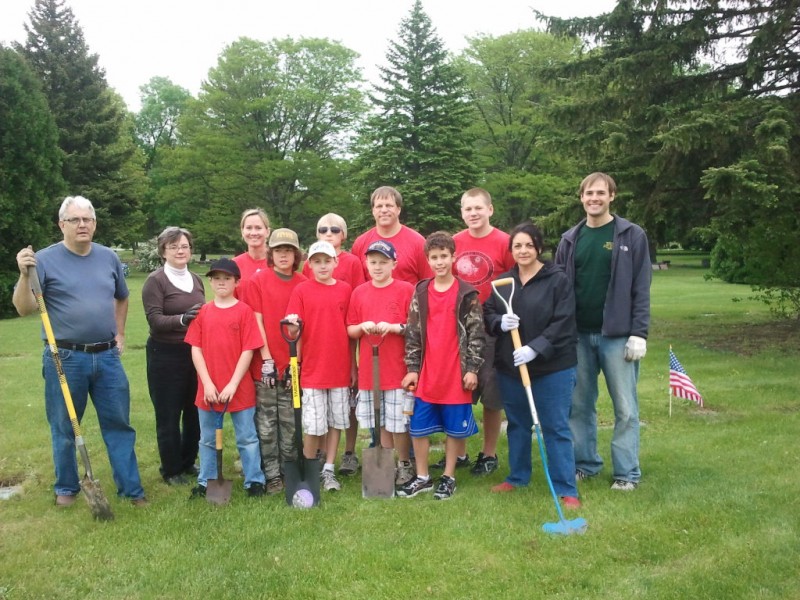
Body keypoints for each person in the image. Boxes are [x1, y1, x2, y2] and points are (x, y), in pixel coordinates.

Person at [12, 195, 146, 506]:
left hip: (108, 357)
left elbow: (122, 297)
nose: (82, 224)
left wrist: (121, 333)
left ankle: (131, 490)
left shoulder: (108, 258)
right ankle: (67, 488)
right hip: (65, 357)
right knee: (64, 426)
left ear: (95, 224)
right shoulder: (42, 261)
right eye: (75, 220)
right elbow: (23, 308)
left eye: (88, 219)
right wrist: (22, 274)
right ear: (62, 225)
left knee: (119, 424)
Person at [554, 172, 651, 491]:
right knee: (579, 405)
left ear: (612, 196)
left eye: (600, 193)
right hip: (577, 337)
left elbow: (641, 287)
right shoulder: (570, 239)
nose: (594, 198)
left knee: (625, 407)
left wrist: (640, 332)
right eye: (588, 193)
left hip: (618, 336)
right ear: (581, 198)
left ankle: (626, 473)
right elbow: (559, 289)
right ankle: (585, 463)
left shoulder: (631, 235)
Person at [484, 222, 580, 508]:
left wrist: (535, 348)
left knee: (555, 426)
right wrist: (499, 322)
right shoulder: (505, 282)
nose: (523, 251)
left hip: (554, 367)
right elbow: (488, 311)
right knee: (517, 424)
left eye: (529, 245)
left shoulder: (557, 279)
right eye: (517, 246)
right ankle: (517, 477)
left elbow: (563, 321)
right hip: (511, 368)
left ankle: (566, 487)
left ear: (538, 247)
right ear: (511, 250)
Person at [399, 232, 485, 500]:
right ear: (428, 260)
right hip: (427, 373)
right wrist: (413, 367)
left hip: (456, 373)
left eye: (444, 256)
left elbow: (476, 334)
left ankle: (448, 476)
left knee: (454, 429)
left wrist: (472, 368)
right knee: (418, 428)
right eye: (434, 258)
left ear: (453, 257)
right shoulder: (421, 291)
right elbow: (412, 331)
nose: (439, 262)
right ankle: (423, 476)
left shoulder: (467, 293)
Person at [184, 258, 267, 498]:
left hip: (238, 388)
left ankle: (254, 481)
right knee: (207, 438)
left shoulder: (244, 312)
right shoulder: (204, 312)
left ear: (236, 282)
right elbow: (195, 349)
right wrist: (208, 383)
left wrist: (233, 384)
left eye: (227, 278)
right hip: (208, 388)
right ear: (210, 281)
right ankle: (206, 481)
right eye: (216, 278)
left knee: (247, 437)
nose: (221, 283)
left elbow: (248, 350)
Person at [451, 187, 515, 477]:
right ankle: (459, 452)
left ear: (490, 209)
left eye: (478, 208)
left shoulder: (505, 242)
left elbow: (518, 280)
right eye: (468, 209)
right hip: (459, 326)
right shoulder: (455, 243)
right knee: (459, 391)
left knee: (491, 391)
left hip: (493, 326)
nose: (473, 214)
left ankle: (488, 454)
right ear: (462, 212)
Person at [284, 241, 356, 492]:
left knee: (336, 421)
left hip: (339, 367)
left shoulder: (346, 290)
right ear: (309, 264)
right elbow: (293, 329)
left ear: (336, 262)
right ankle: (308, 468)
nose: (322, 266)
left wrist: (353, 367)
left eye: (327, 261)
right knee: (315, 425)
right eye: (317, 261)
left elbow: (350, 331)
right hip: (313, 369)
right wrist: (292, 325)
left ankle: (328, 469)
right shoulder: (302, 291)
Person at [347, 240, 416, 487]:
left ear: (394, 264)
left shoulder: (406, 290)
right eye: (373, 262)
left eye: (383, 262)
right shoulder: (359, 292)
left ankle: (405, 463)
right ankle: (386, 465)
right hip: (370, 370)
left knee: (399, 422)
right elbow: (351, 329)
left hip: (397, 369)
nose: (377, 267)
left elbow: (416, 327)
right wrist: (362, 327)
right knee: (381, 421)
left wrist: (396, 328)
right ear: (366, 264)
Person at [302, 213, 365, 476]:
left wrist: (353, 362)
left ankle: (347, 453)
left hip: (343, 349)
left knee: (343, 408)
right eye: (322, 228)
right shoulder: (309, 271)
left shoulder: (352, 265)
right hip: (316, 353)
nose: (329, 232)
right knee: (317, 414)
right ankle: (315, 456)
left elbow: (357, 309)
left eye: (335, 229)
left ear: (344, 234)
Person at [141, 227, 205, 485]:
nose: (180, 250)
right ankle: (171, 469)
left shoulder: (197, 279)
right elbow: (155, 319)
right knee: (168, 414)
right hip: (165, 355)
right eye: (174, 246)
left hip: (194, 353)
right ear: (163, 251)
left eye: (185, 246)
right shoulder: (155, 281)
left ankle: (188, 461)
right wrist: (182, 319)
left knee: (194, 412)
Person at [249, 228, 307, 495]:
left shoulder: (304, 283)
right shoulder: (258, 281)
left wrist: (300, 363)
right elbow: (257, 321)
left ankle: (289, 469)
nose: (284, 255)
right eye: (279, 251)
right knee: (267, 424)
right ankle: (271, 474)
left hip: (294, 366)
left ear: (296, 254)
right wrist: (267, 359)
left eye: (288, 251)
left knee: (291, 422)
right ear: (270, 253)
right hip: (267, 367)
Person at [350, 186, 432, 285]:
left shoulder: (418, 242)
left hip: (408, 299)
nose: (384, 210)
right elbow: (357, 285)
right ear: (373, 211)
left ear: (398, 209)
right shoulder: (360, 243)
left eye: (389, 205)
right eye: (379, 206)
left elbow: (428, 283)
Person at [233, 208, 271, 304]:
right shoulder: (234, 264)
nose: (253, 233)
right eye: (249, 228)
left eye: (258, 228)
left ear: (267, 232)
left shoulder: (277, 263)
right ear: (242, 231)